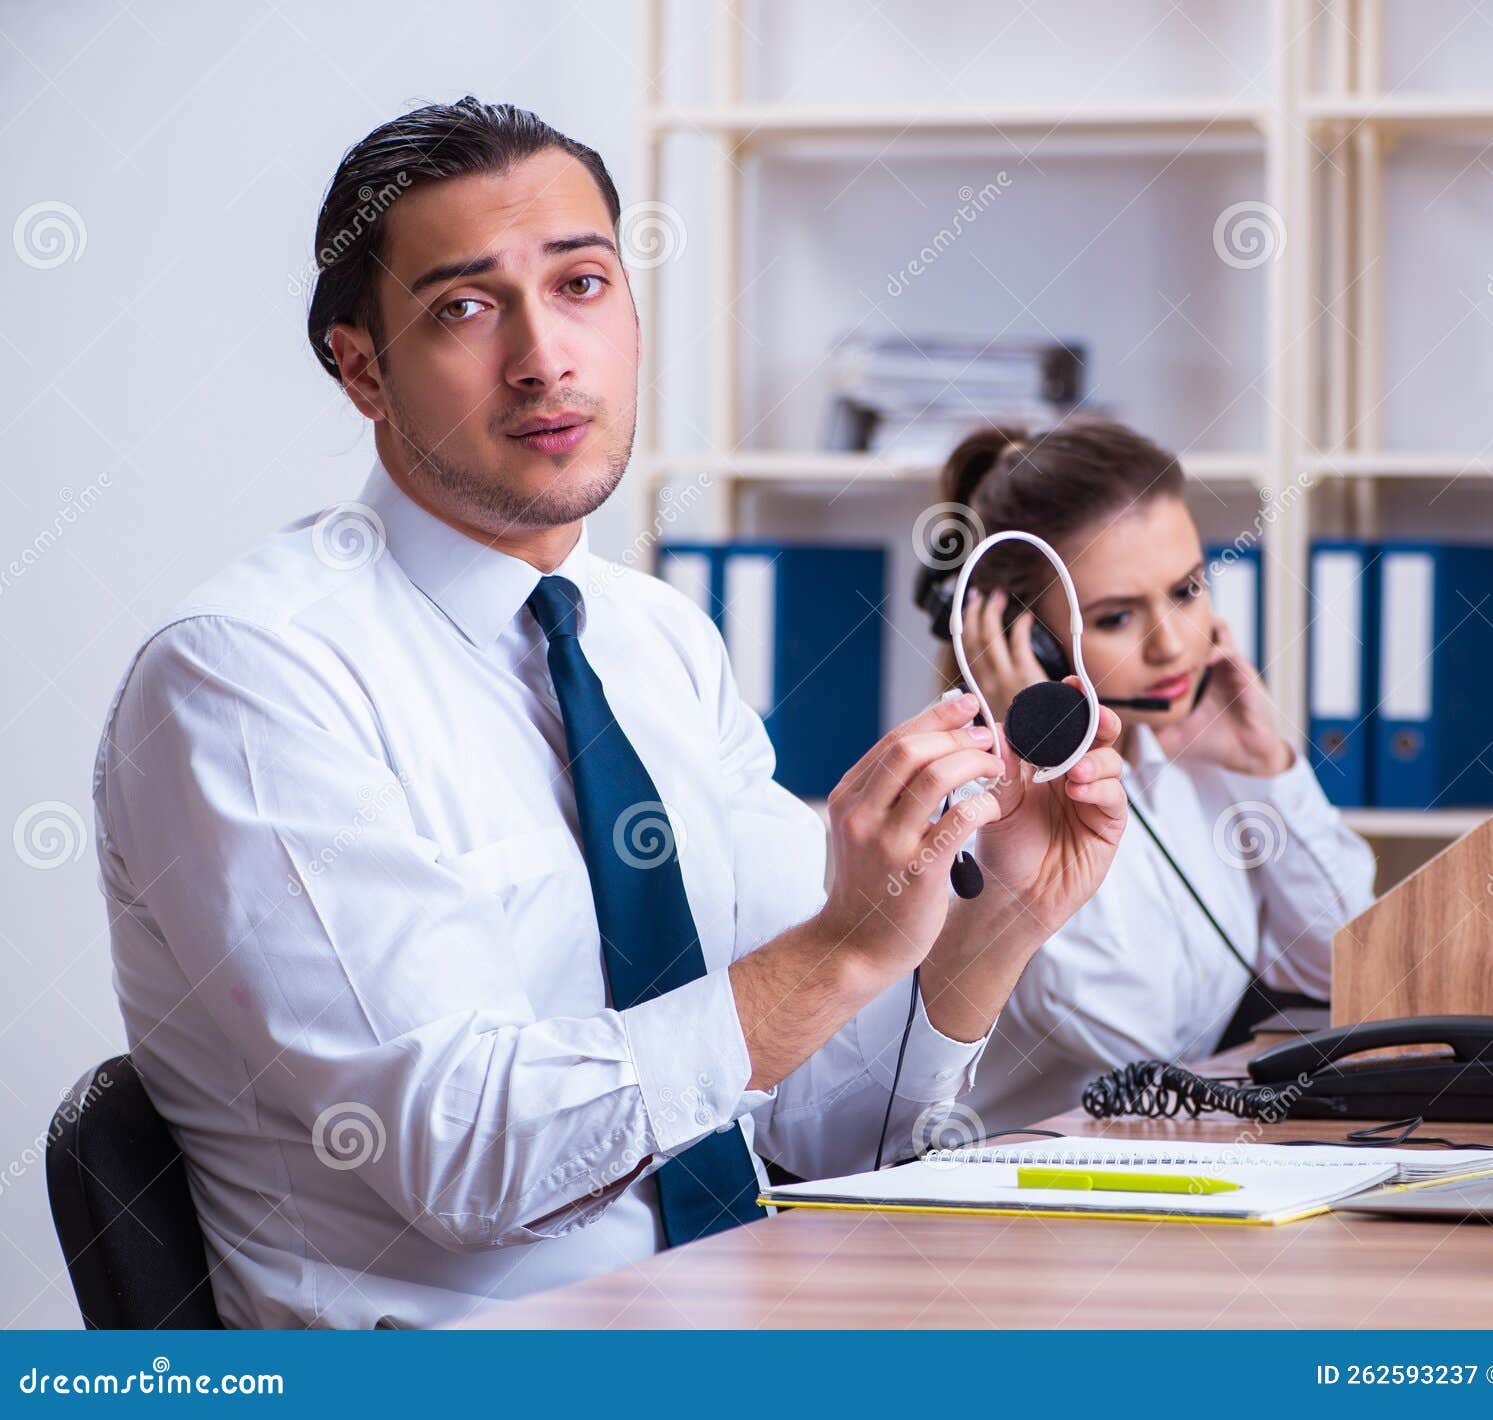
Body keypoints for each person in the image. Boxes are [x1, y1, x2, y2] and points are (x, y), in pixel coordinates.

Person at [90, 98, 1129, 1329]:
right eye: (465, 308)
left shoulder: (654, 640)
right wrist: (839, 946)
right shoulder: (247, 678)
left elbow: (819, 1123)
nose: (544, 357)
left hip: (739, 1318)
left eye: (581, 284)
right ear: (361, 366)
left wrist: (984, 926)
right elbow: (471, 1157)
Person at [922, 419, 1376, 1133]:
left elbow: (1350, 970)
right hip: (1009, 1209)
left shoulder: (1193, 759)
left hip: (1162, 1167)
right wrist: (1045, 752)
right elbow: (1137, 1030)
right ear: (1028, 637)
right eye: (1117, 617)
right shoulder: (974, 802)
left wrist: (1271, 773)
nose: (1173, 645)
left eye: (1187, 590)